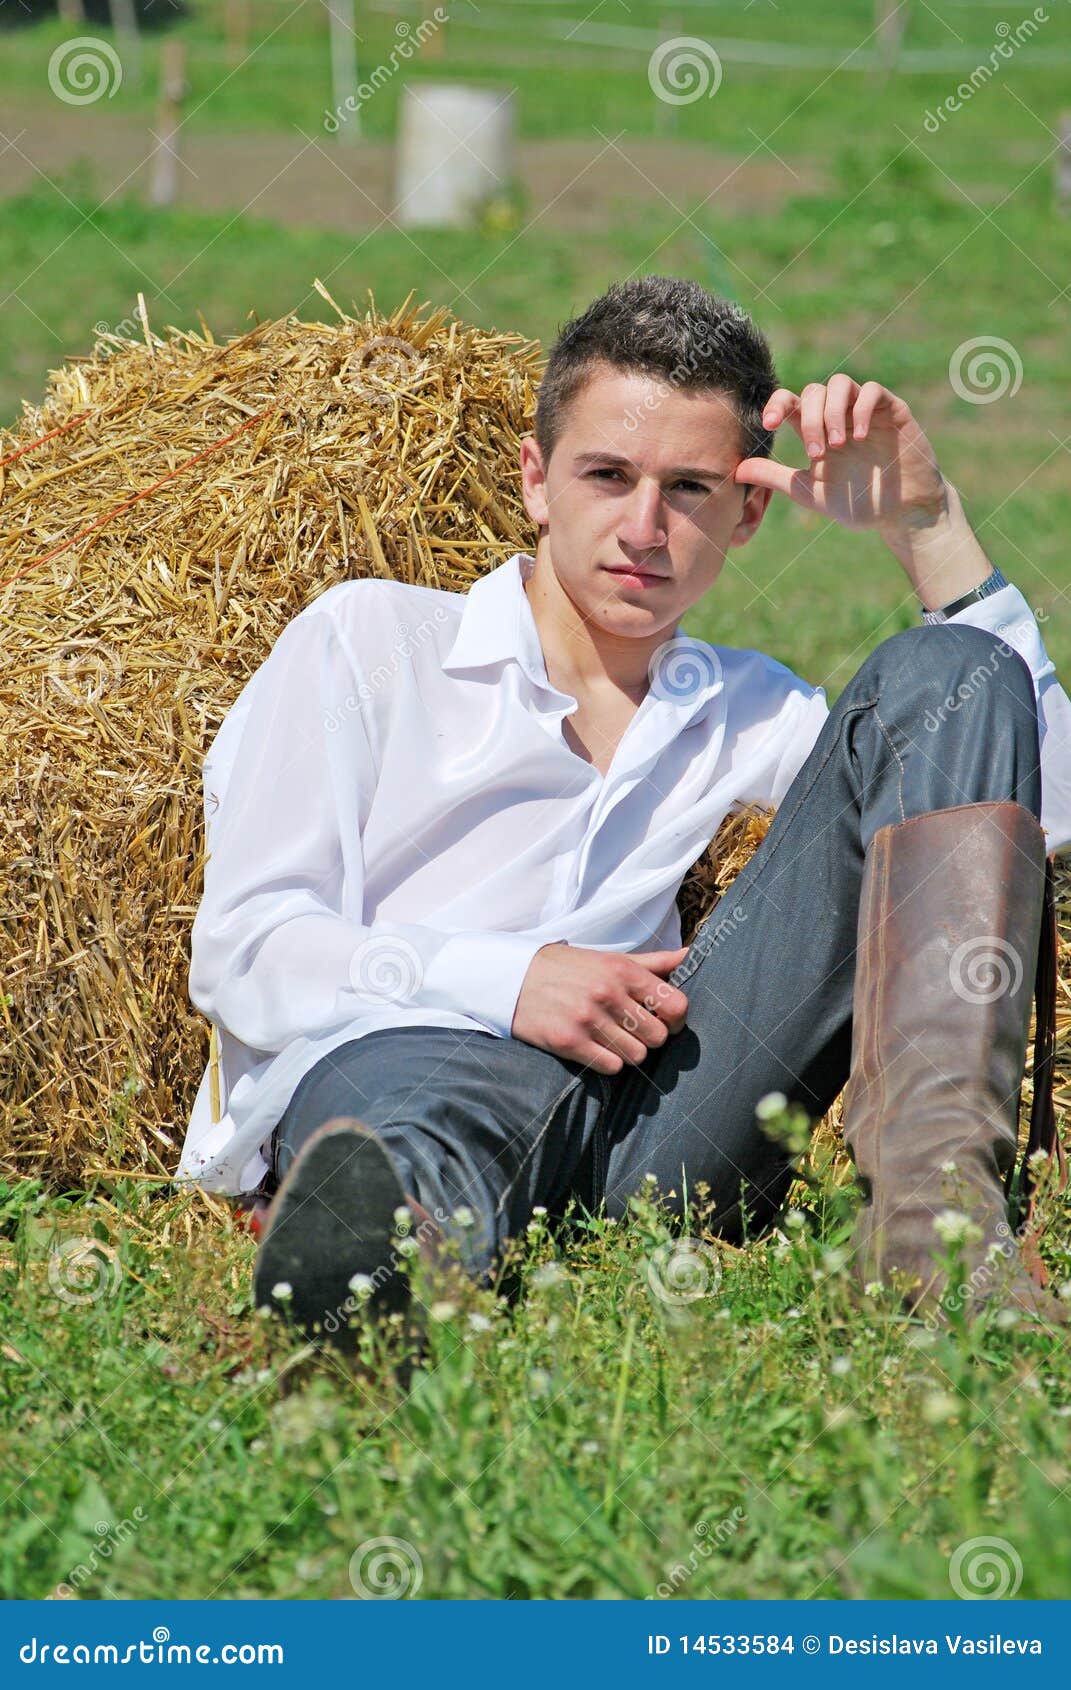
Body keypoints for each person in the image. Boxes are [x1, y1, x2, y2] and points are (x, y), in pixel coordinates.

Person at [176, 276, 1071, 1343]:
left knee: (949, 671)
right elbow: (248, 948)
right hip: (418, 1060)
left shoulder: (755, 710)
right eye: (607, 475)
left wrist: (930, 528)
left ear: (747, 513)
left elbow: (1041, 817)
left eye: (689, 489)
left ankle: (938, 1240)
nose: (643, 527)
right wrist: (510, 979)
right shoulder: (370, 642)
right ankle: (375, 1278)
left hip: (668, 1113)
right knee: (411, 1125)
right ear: (537, 481)